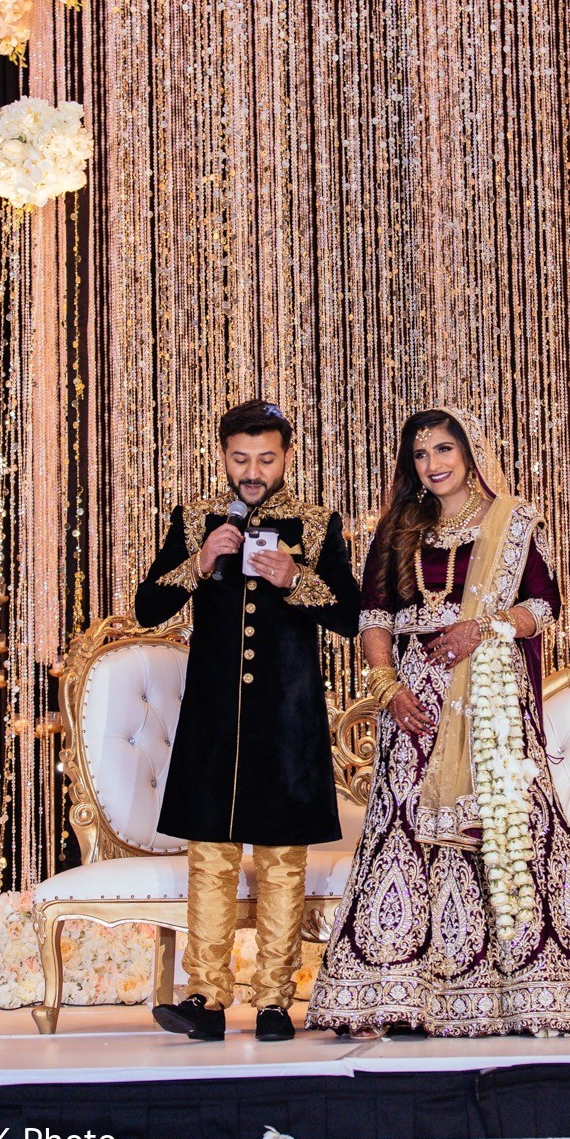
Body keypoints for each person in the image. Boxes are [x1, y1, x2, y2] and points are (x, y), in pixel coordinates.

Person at [306, 406, 570, 1037]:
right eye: (419, 455)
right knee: (407, 828)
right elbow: (374, 619)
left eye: (442, 450)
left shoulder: (509, 522)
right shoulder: (397, 530)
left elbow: (544, 604)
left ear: (466, 452)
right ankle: (400, 993)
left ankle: (532, 993)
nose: (432, 465)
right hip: (415, 699)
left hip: (489, 696)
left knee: (504, 826)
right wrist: (386, 689)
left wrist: (482, 628)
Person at [134, 400, 360, 1042]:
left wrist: (299, 579)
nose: (252, 472)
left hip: (287, 719)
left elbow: (351, 616)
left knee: (283, 857)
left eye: (266, 459)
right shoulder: (196, 519)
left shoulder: (317, 526)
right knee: (209, 854)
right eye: (241, 459)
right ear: (224, 456)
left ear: (288, 456)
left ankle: (273, 1002)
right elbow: (148, 608)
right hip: (213, 716)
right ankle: (204, 997)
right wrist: (198, 563)